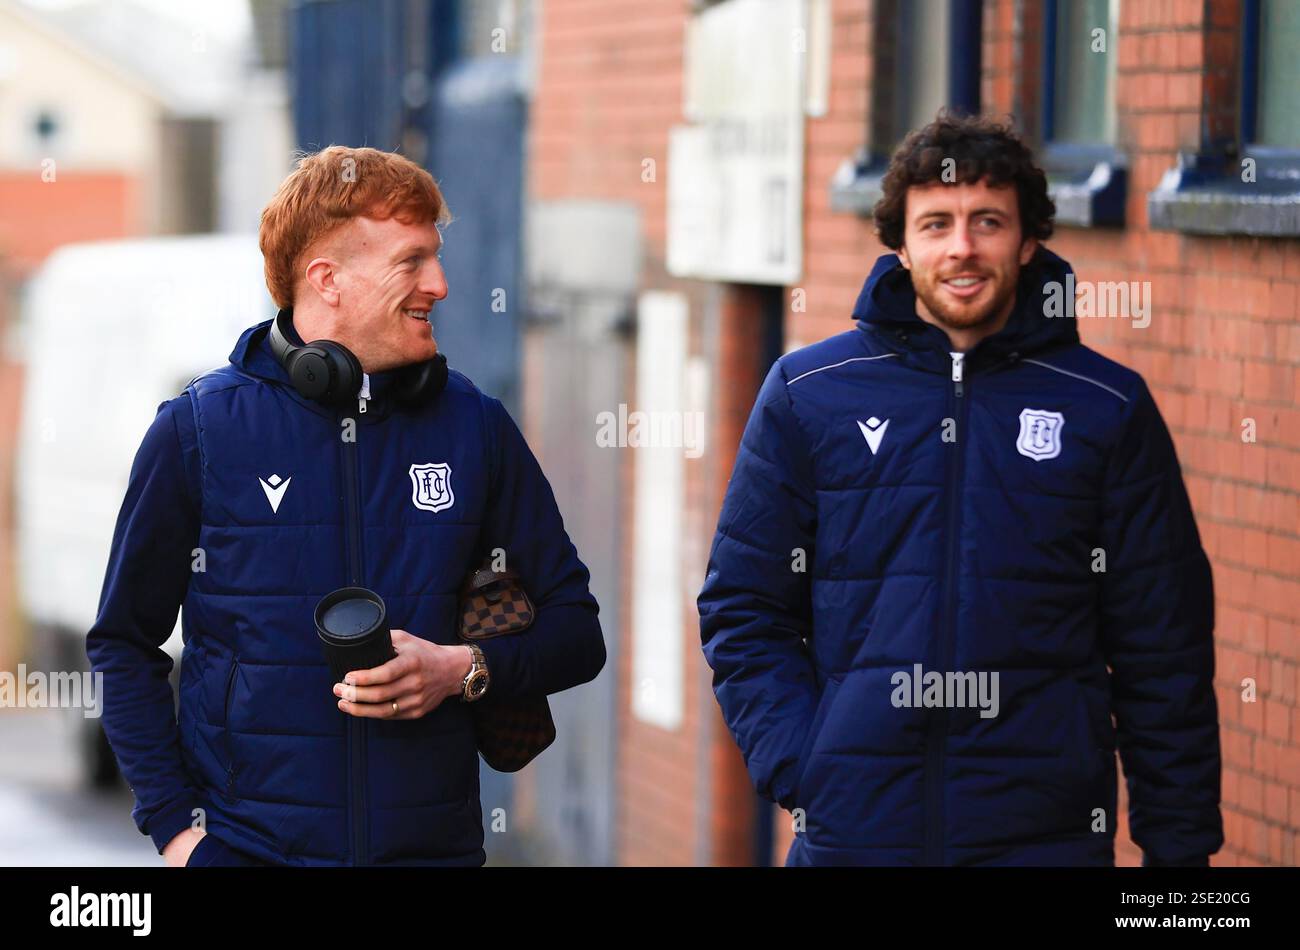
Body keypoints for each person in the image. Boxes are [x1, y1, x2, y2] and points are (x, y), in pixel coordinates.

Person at [697, 111, 1223, 866]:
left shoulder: (1106, 408)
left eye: (988, 222)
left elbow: (1162, 648)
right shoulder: (810, 393)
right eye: (937, 224)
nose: (963, 247)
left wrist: (1181, 853)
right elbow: (743, 607)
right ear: (902, 245)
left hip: (1046, 841)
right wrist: (806, 764)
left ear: (1030, 239)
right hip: (856, 838)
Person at [87, 145, 606, 866]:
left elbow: (577, 632)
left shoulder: (476, 428)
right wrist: (179, 835)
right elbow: (122, 644)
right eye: (412, 261)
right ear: (327, 279)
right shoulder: (197, 432)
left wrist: (462, 669)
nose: (442, 284)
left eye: (437, 257)